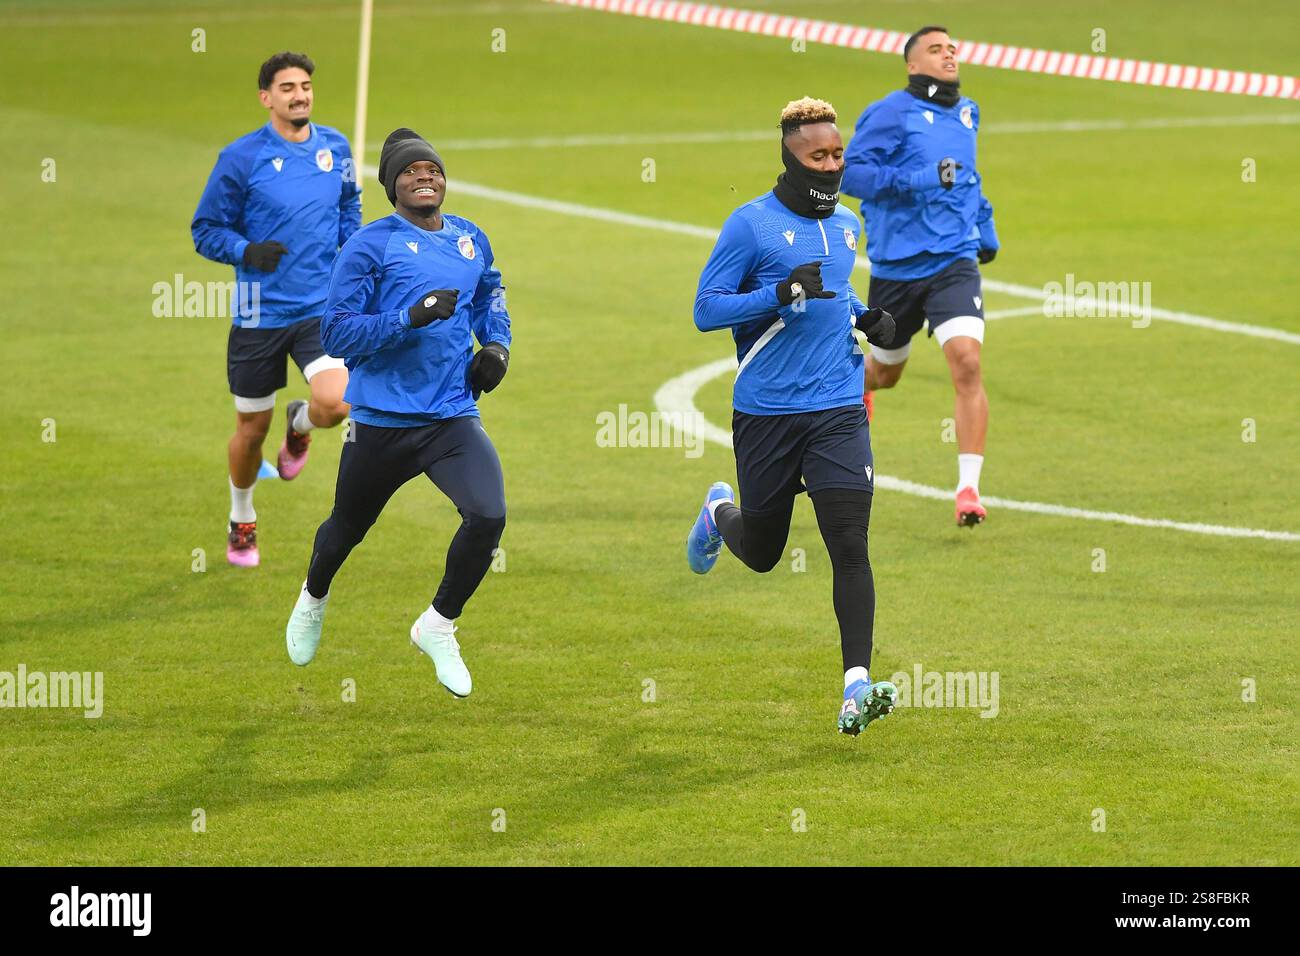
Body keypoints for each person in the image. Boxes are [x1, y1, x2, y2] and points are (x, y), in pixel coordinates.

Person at [686, 97, 899, 737]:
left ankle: (855, 687)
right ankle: (719, 512)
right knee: (763, 553)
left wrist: (863, 316)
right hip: (769, 413)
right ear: (790, 156)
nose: (831, 166)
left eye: (838, 155)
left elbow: (839, 288)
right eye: (819, 156)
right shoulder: (750, 226)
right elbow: (705, 309)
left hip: (837, 407)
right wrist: (779, 293)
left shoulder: (849, 225)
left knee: (849, 546)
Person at [283, 129, 512, 701]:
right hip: (381, 422)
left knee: (487, 516)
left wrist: (497, 348)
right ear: (391, 187)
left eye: (432, 169)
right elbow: (336, 332)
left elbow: (490, 294)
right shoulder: (368, 246)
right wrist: (409, 317)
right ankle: (313, 597)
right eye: (411, 172)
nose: (424, 177)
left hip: (450, 418)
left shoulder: (468, 238)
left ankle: (437, 624)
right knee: (345, 531)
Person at [192, 51, 360, 566]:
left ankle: (301, 425)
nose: (299, 94)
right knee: (250, 432)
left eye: (305, 85)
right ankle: (242, 515)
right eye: (287, 87)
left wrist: (354, 259)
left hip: (318, 307)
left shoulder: (336, 146)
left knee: (336, 404)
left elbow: (349, 205)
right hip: (258, 313)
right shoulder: (240, 158)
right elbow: (205, 229)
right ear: (267, 98)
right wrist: (246, 251)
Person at [841, 25, 999, 527]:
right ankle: (858, 384)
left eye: (953, 48)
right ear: (912, 64)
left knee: (967, 363)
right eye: (936, 49)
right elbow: (852, 176)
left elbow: (968, 177)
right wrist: (920, 180)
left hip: (953, 262)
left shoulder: (969, 112)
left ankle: (968, 489)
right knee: (886, 373)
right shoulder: (890, 113)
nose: (949, 54)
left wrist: (985, 222)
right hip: (896, 270)